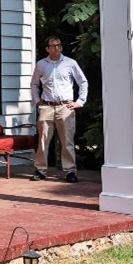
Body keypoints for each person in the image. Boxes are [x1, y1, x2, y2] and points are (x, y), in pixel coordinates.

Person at [28, 35, 88, 182]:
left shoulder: (70, 63)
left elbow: (83, 82)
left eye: (58, 45)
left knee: (67, 141)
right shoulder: (41, 64)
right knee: (43, 140)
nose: (56, 48)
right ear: (47, 48)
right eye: (53, 45)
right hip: (47, 107)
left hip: (65, 107)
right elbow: (34, 84)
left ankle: (70, 171)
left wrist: (79, 101)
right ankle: (40, 170)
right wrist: (37, 101)